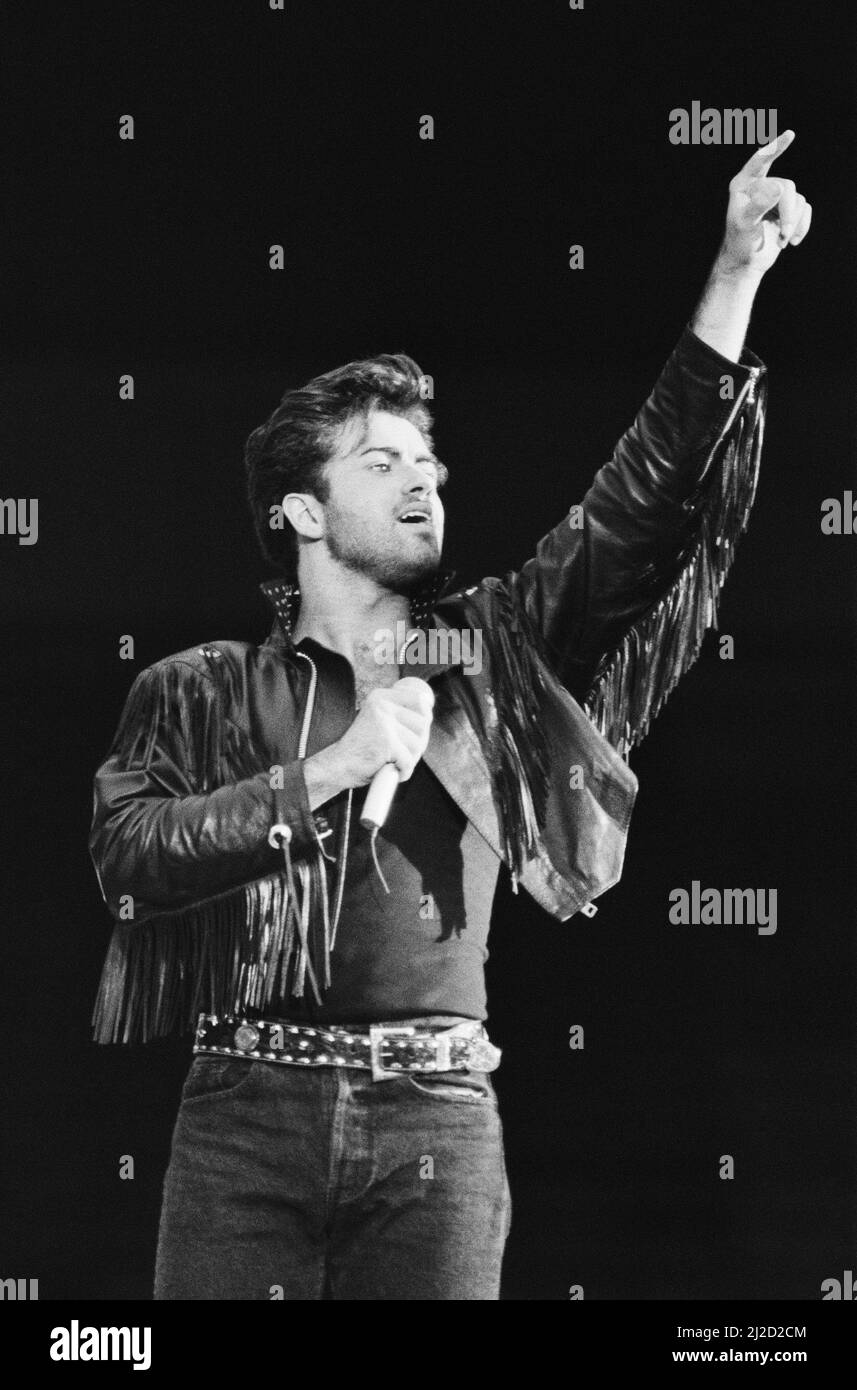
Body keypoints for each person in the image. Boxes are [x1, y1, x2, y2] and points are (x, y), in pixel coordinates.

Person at [88, 133, 810, 1299]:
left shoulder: (486, 648)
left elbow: (632, 512)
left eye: (429, 458)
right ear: (301, 514)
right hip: (241, 1116)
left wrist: (733, 273)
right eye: (382, 463)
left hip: (437, 1118)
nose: (425, 479)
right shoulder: (198, 688)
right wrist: (335, 767)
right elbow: (130, 862)